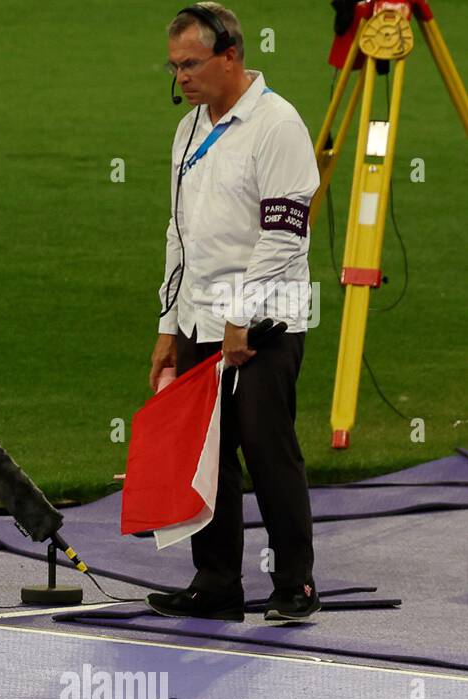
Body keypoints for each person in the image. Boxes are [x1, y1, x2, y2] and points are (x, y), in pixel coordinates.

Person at [147, 3, 321, 623]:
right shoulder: (189, 128)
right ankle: (217, 583)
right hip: (199, 318)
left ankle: (295, 584)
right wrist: (168, 327)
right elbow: (180, 231)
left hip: (266, 319)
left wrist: (242, 315)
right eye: (174, 67)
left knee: (267, 449)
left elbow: (283, 236)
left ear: (230, 55)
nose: (182, 78)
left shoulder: (278, 125)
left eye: (191, 64)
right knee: (208, 458)